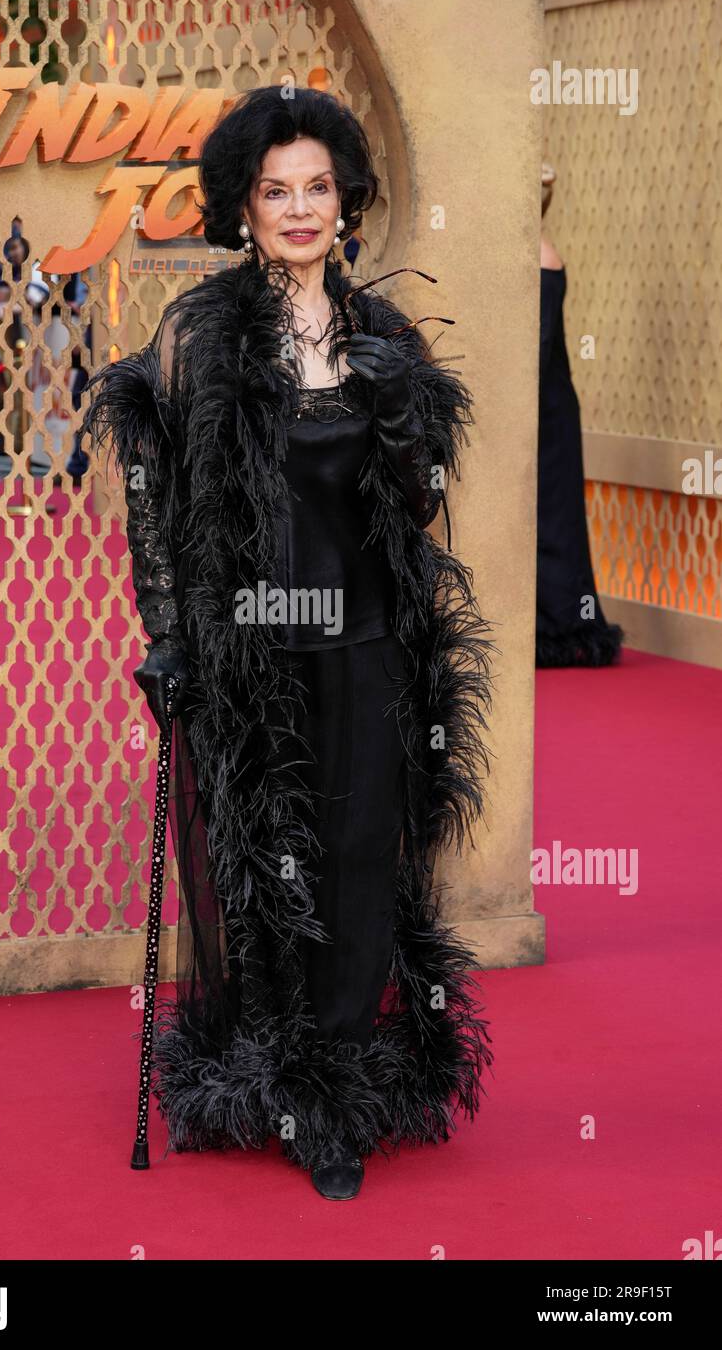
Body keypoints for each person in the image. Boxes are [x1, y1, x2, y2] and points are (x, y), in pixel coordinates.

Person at [83, 86, 493, 1200]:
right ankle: (287, 1081)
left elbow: (418, 503)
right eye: (277, 191)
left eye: (317, 187)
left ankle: (341, 1083)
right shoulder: (201, 332)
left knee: (362, 861)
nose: (300, 208)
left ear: (344, 199)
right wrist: (165, 634)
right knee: (267, 868)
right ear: (242, 206)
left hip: (366, 646)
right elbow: (154, 492)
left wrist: (399, 413)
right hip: (249, 654)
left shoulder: (385, 336)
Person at [537, 163, 624, 667]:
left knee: (553, 518)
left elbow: (539, 347)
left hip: (547, 411)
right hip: (546, 405)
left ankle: (561, 626)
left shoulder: (540, 257)